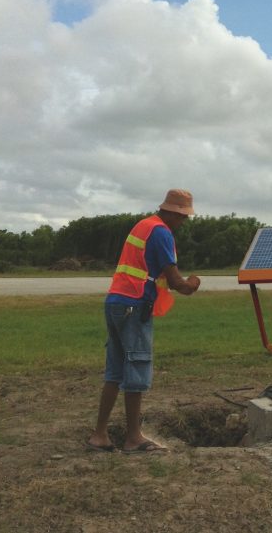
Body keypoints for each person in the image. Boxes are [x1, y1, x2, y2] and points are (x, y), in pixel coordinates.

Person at [87, 188, 201, 454]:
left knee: (114, 371)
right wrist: (193, 284)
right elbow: (176, 282)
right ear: (173, 213)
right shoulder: (161, 232)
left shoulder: (143, 225)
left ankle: (100, 435)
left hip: (116, 301)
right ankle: (133, 437)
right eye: (183, 217)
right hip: (134, 305)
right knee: (136, 368)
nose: (184, 223)